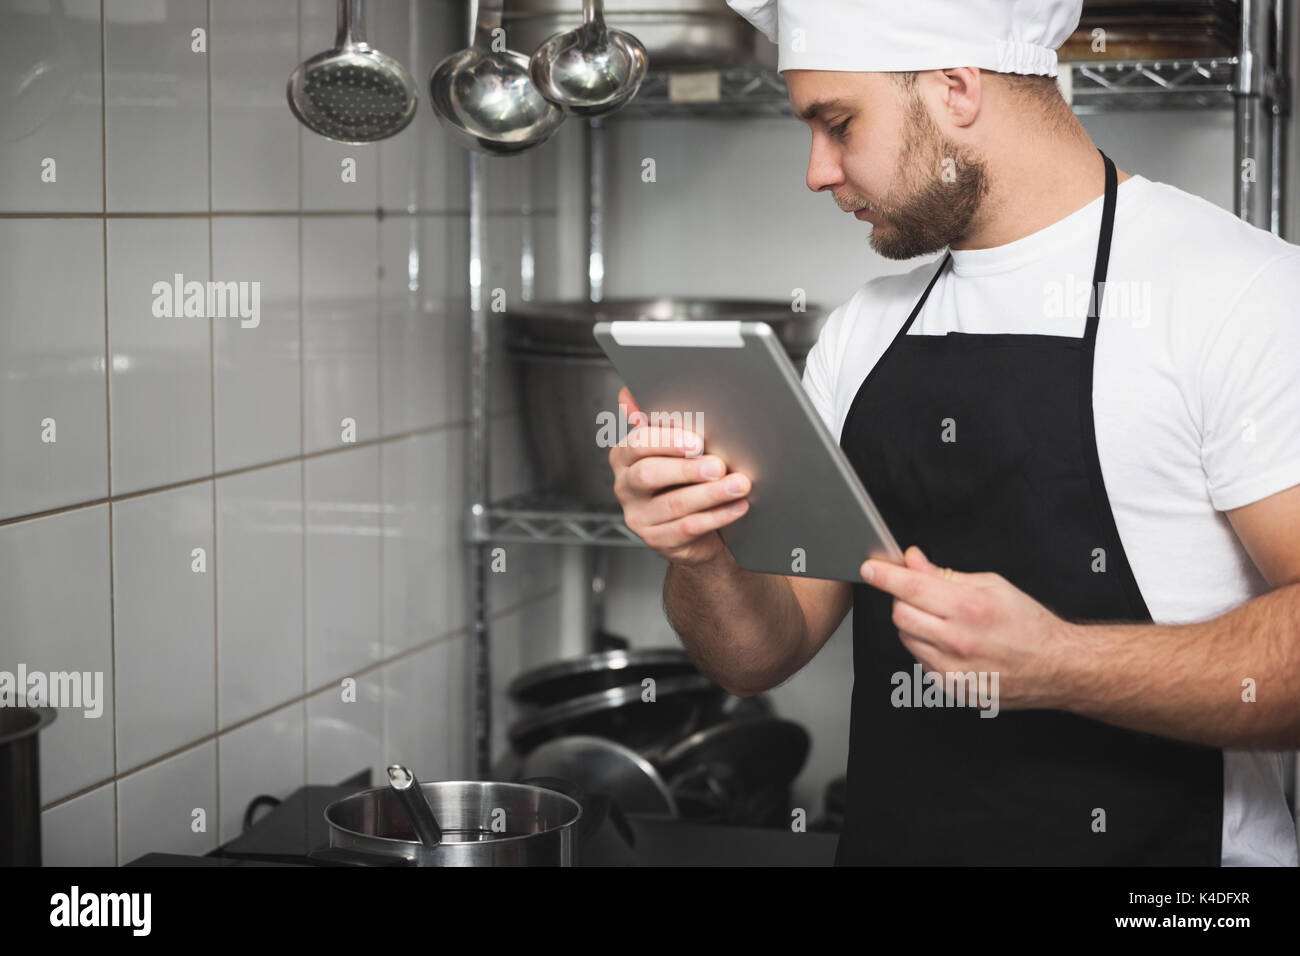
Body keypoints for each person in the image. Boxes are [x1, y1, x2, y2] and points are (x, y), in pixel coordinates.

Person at [607, 0, 1300, 865]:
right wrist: (699, 551)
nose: (817, 172)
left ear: (956, 88)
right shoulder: (865, 330)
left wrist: (1064, 664)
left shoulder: (1238, 294)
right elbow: (760, 653)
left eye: (838, 122)